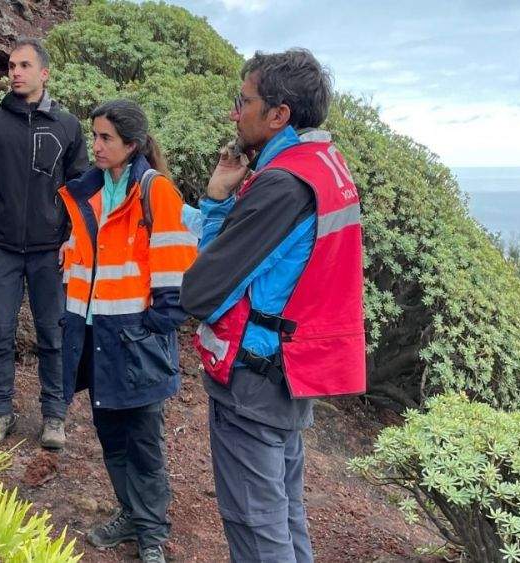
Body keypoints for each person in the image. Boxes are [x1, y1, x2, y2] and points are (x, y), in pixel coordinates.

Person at [180, 49, 366, 562]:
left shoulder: (282, 185)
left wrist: (216, 208)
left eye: (244, 101)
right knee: (283, 516)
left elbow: (202, 289)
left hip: (254, 381)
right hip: (289, 369)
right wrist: (222, 198)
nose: (235, 113)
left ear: (279, 113)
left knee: (257, 528)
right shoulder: (323, 167)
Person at [59, 99, 197, 563]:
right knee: (111, 435)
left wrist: (151, 327)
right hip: (95, 338)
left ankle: (151, 533)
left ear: (131, 145)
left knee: (143, 442)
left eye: (106, 138)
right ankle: (130, 515)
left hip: (136, 341)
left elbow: (175, 272)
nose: (95, 145)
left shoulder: (155, 192)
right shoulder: (89, 192)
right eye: (94, 135)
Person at [0, 38, 88, 449]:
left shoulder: (68, 126)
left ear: (44, 73)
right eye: (12, 66)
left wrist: (73, 239)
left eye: (24, 65)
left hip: (50, 251)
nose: (15, 72)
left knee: (52, 334)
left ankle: (54, 416)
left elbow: (79, 190)